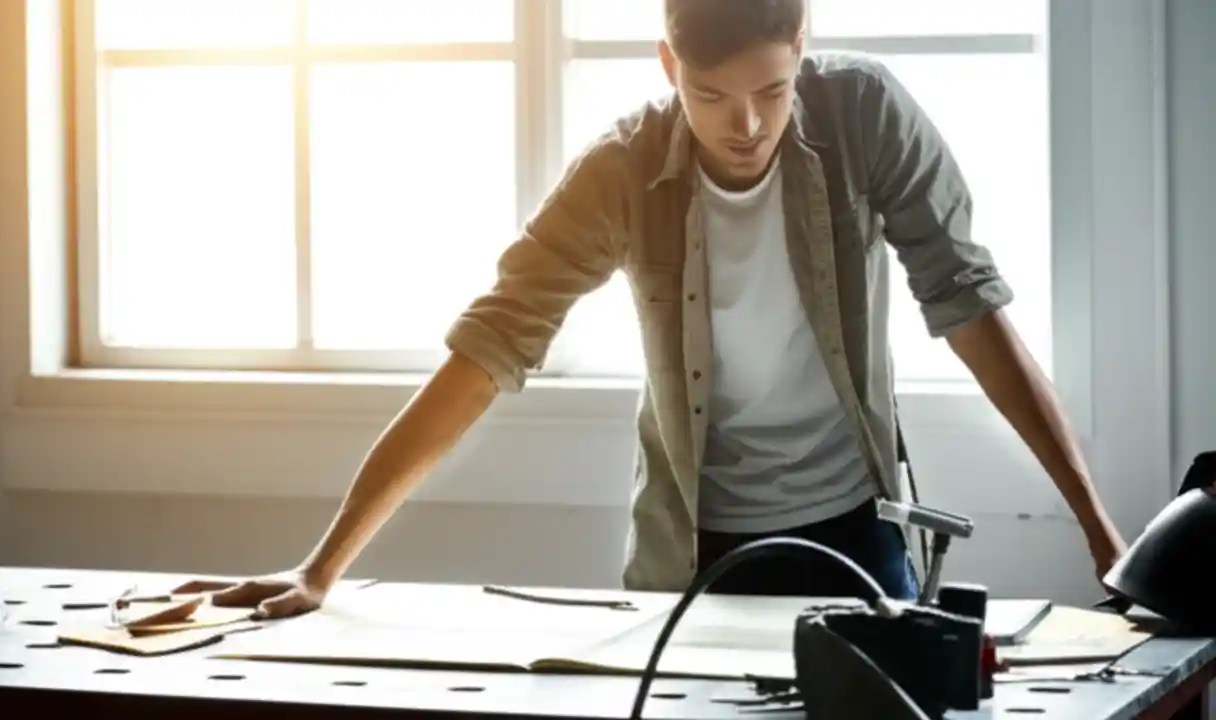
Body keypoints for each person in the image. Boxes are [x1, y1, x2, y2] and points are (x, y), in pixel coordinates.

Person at [182, 0, 1126, 617]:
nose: (746, 126)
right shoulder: (622, 171)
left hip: (858, 522)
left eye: (771, 88)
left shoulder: (865, 113)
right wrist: (321, 566)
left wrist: (1104, 540)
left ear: (802, 43)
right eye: (711, 95)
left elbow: (971, 312)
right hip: (695, 546)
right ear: (666, 60)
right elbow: (487, 352)